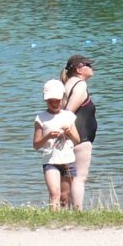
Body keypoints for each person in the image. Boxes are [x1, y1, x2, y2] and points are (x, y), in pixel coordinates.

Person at [34, 79, 80, 211]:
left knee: (65, 196)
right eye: (50, 101)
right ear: (46, 101)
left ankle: (63, 219)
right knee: (54, 193)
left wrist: (69, 132)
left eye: (57, 101)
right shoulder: (41, 118)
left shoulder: (69, 116)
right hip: (50, 160)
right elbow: (36, 145)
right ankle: (52, 219)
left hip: (68, 160)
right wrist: (48, 136)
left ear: (63, 99)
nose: (54, 104)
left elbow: (77, 140)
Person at [60, 54, 97, 211]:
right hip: (79, 137)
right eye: (88, 65)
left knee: (68, 178)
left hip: (69, 138)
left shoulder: (67, 84)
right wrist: (71, 135)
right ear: (78, 69)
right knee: (79, 178)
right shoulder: (80, 85)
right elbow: (68, 112)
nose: (91, 67)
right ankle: (78, 211)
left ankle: (64, 209)